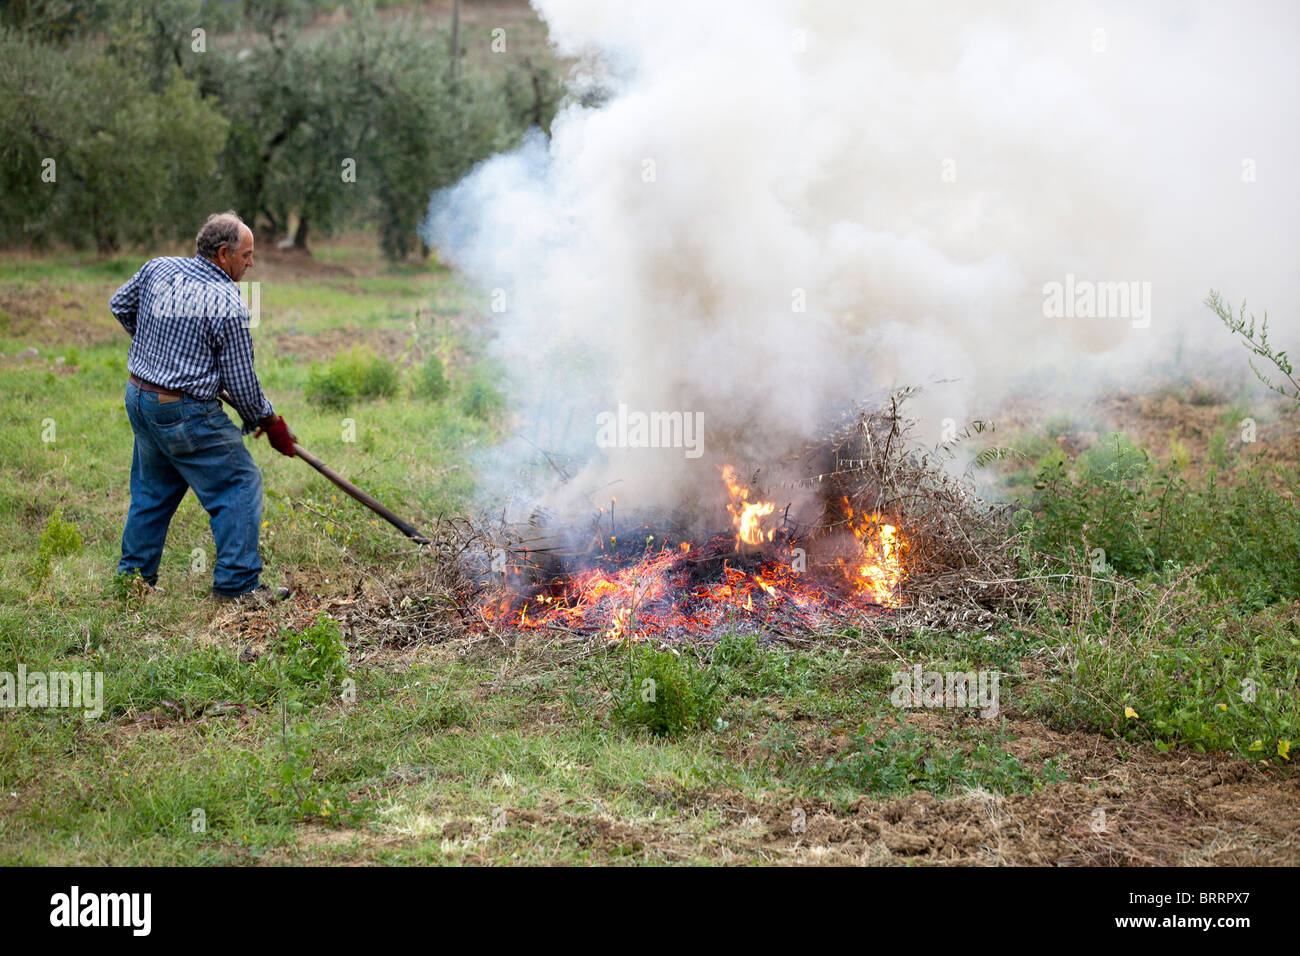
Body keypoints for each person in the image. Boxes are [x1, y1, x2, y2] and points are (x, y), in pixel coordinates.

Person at [109, 211, 294, 604]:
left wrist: (155, 349)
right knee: (240, 483)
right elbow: (242, 384)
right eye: (246, 255)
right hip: (182, 413)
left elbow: (120, 304)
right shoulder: (228, 300)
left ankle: (132, 583)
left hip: (140, 399)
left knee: (152, 492)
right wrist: (269, 421)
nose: (251, 263)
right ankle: (239, 585)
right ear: (224, 254)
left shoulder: (158, 269)